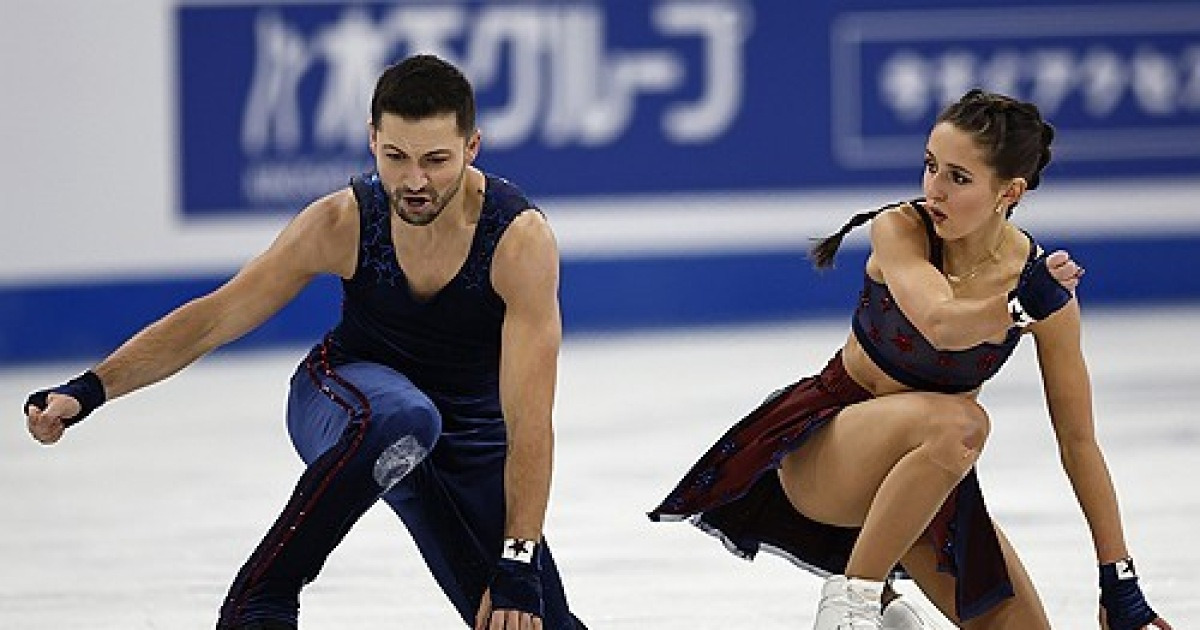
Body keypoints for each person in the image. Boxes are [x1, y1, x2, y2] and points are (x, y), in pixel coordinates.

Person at [24, 54, 586, 630]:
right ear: (372, 140)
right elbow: (214, 319)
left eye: (435, 160)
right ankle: (260, 599)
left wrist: (519, 561)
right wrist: (90, 389)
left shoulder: (518, 242)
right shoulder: (344, 222)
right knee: (405, 420)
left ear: (472, 148)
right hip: (344, 401)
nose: (414, 181)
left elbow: (529, 422)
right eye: (396, 156)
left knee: (534, 618)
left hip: (468, 439)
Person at [648, 89, 1173, 630]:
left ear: (1009, 191)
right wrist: (1016, 308)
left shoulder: (1041, 292)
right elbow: (941, 323)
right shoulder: (901, 229)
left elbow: (1078, 443)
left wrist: (1119, 580)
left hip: (927, 482)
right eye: (930, 166)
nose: (934, 189)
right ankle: (853, 603)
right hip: (828, 453)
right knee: (962, 422)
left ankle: (875, 596)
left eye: (958, 178)